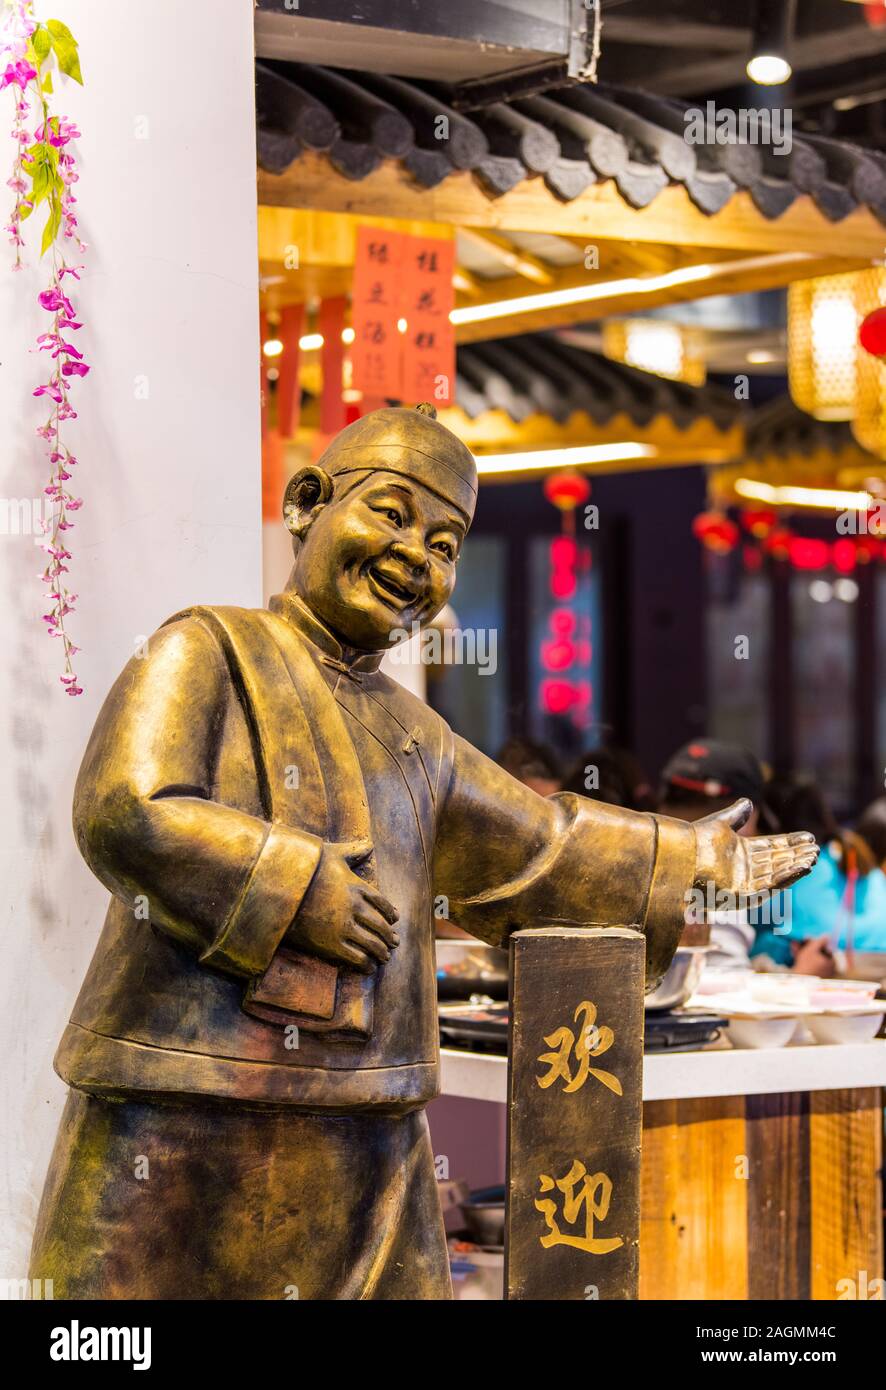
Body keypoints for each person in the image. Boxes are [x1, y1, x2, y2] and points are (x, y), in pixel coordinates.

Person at [29, 406, 817, 1300]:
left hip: (373, 1129)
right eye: (393, 514)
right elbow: (128, 807)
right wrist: (294, 884)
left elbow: (540, 846)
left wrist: (690, 859)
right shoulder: (207, 648)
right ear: (305, 502)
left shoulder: (419, 737)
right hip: (181, 1108)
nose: (416, 556)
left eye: (445, 545)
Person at [658, 740, 833, 976]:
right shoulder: (712, 872)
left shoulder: (649, 860)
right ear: (745, 817)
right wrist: (802, 975)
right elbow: (723, 990)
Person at [759, 779, 886, 962]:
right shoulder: (850, 853)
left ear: (771, 822)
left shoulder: (790, 869)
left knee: (763, 942)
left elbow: (756, 918)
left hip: (832, 961)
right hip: (877, 962)